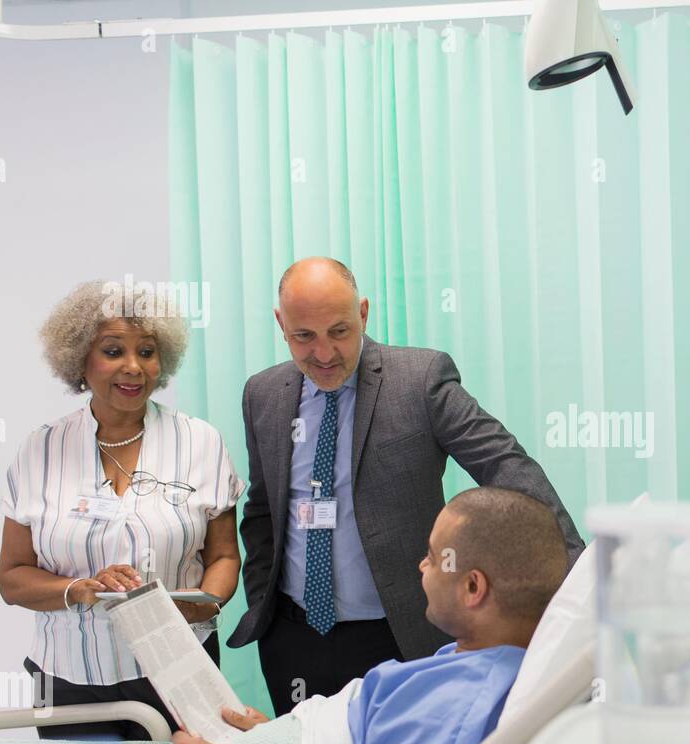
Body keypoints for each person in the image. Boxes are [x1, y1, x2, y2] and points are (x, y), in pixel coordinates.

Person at [230, 256, 584, 716]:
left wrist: (578, 572)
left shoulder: (420, 381)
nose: (323, 353)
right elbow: (263, 511)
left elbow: (506, 467)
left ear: (363, 313)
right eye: (304, 336)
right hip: (295, 640)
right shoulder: (263, 393)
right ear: (281, 324)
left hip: (398, 636)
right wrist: (267, 603)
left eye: (339, 331)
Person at [167, 487, 568, 744]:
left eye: (432, 555)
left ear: (473, 586)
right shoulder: (474, 664)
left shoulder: (452, 707)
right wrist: (280, 735)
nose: (422, 565)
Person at [0, 280, 244, 740]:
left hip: (180, 668)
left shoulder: (200, 442)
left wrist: (200, 606)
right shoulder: (41, 450)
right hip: (69, 676)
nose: (133, 367)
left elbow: (225, 557)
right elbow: (11, 576)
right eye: (113, 351)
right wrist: (79, 589)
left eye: (147, 351)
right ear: (80, 362)